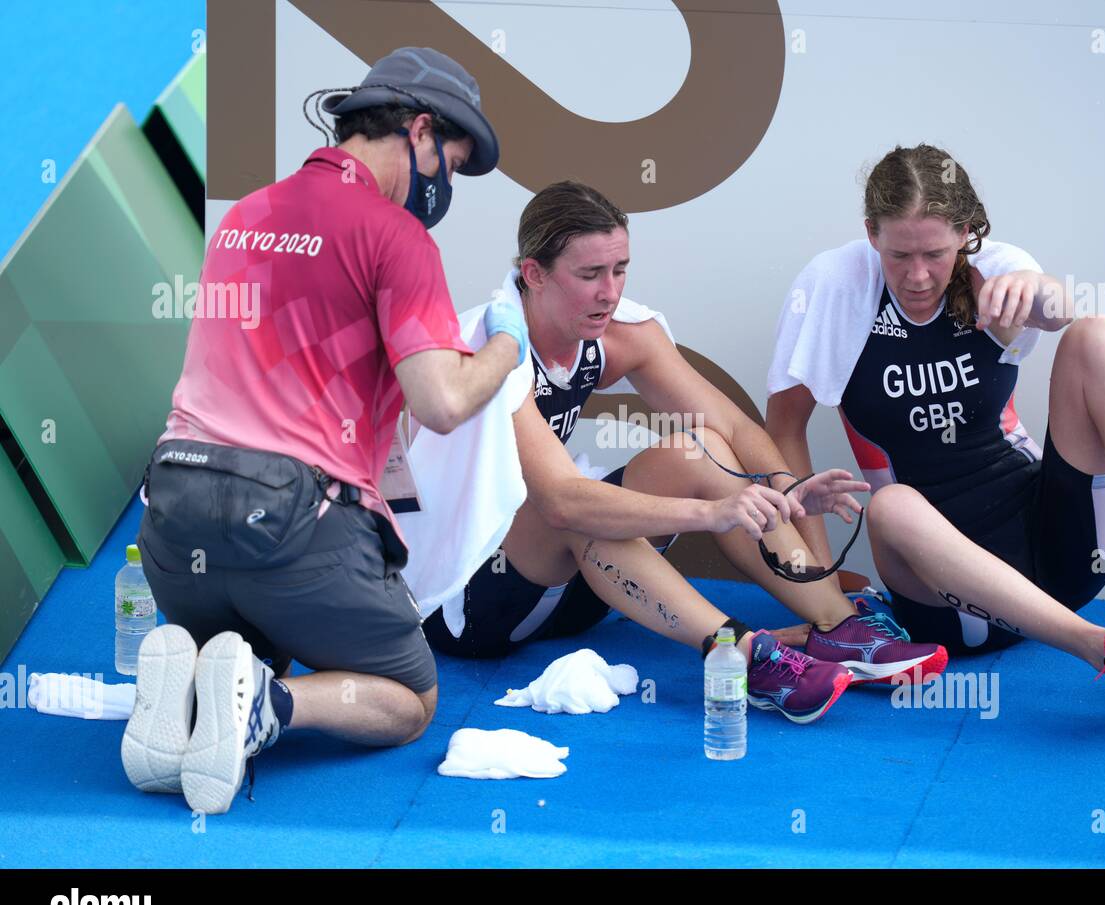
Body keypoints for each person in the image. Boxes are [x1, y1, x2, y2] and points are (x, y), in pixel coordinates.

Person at [415, 181, 1035, 723]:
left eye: (621, 269)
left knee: (700, 449)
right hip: (472, 606)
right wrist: (709, 516)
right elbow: (558, 501)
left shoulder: (624, 332)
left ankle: (838, 626)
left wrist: (786, 490)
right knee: (586, 509)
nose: (609, 292)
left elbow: (736, 434)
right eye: (589, 276)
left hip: (580, 593)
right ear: (534, 274)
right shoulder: (493, 346)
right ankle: (740, 653)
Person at [121, 47, 527, 815]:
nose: (447, 183)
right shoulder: (398, 239)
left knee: (246, 649)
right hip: (292, 526)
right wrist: (507, 346)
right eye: (452, 159)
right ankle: (267, 708)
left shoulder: (247, 215)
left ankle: (197, 681)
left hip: (174, 526)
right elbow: (441, 402)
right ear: (418, 129)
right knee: (409, 697)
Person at [765, 143, 1105, 700]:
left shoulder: (990, 270)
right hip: (946, 597)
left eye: (936, 253)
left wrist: (1040, 289)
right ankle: (1102, 647)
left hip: (1062, 552)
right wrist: (826, 605)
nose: (920, 276)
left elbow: (1059, 310)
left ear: (967, 233)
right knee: (892, 505)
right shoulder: (835, 285)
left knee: (1096, 336)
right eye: (899, 255)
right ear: (871, 233)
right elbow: (783, 432)